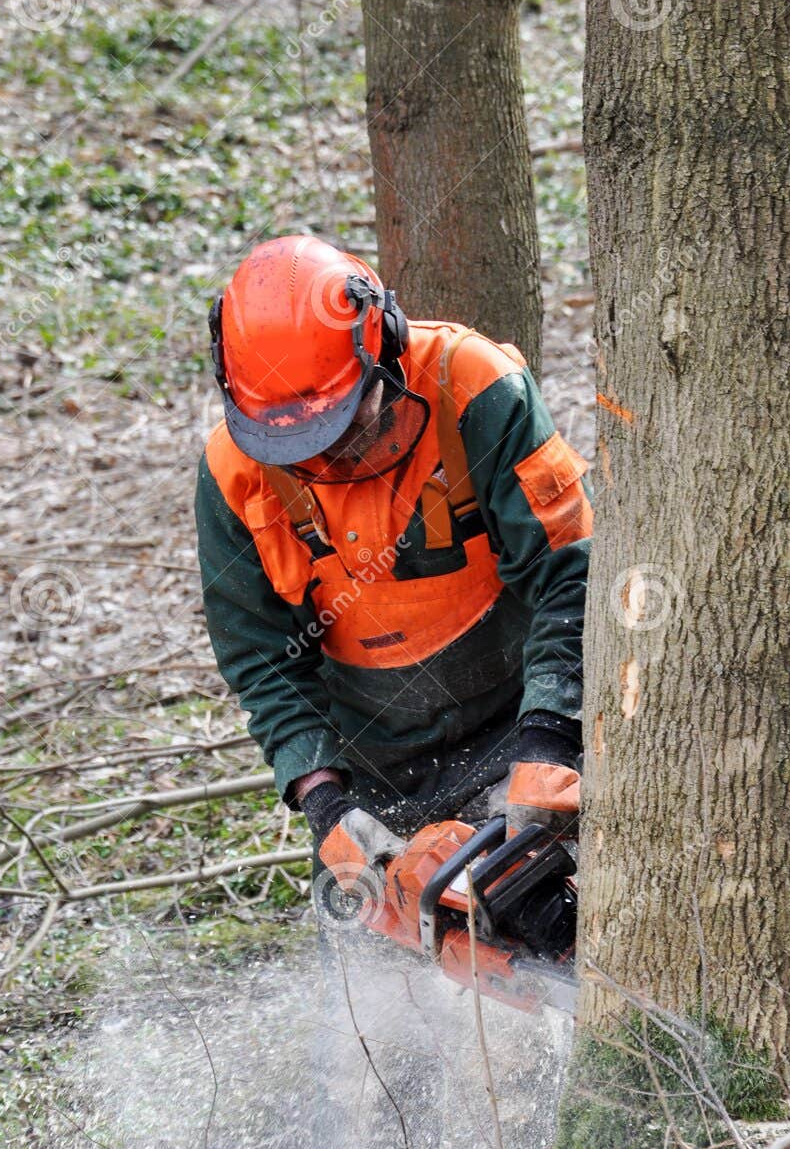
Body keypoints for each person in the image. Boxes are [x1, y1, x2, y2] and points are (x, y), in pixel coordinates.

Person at [196, 234, 591, 912]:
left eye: (344, 427)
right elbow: (261, 659)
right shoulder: (235, 473)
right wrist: (326, 804)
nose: (326, 458)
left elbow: (568, 575)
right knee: (379, 972)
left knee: (558, 928)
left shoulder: (472, 387)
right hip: (371, 760)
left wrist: (551, 737)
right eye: (296, 446)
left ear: (382, 347)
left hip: (516, 711)